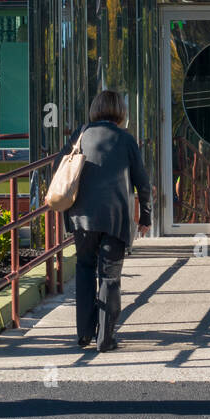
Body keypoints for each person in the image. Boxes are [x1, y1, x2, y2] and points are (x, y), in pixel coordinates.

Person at [59, 89, 152, 352]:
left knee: (84, 268)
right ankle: (106, 338)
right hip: (115, 217)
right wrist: (145, 215)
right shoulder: (125, 139)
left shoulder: (80, 134)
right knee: (110, 277)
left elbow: (60, 165)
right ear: (120, 111)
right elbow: (142, 182)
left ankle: (84, 334)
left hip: (82, 217)